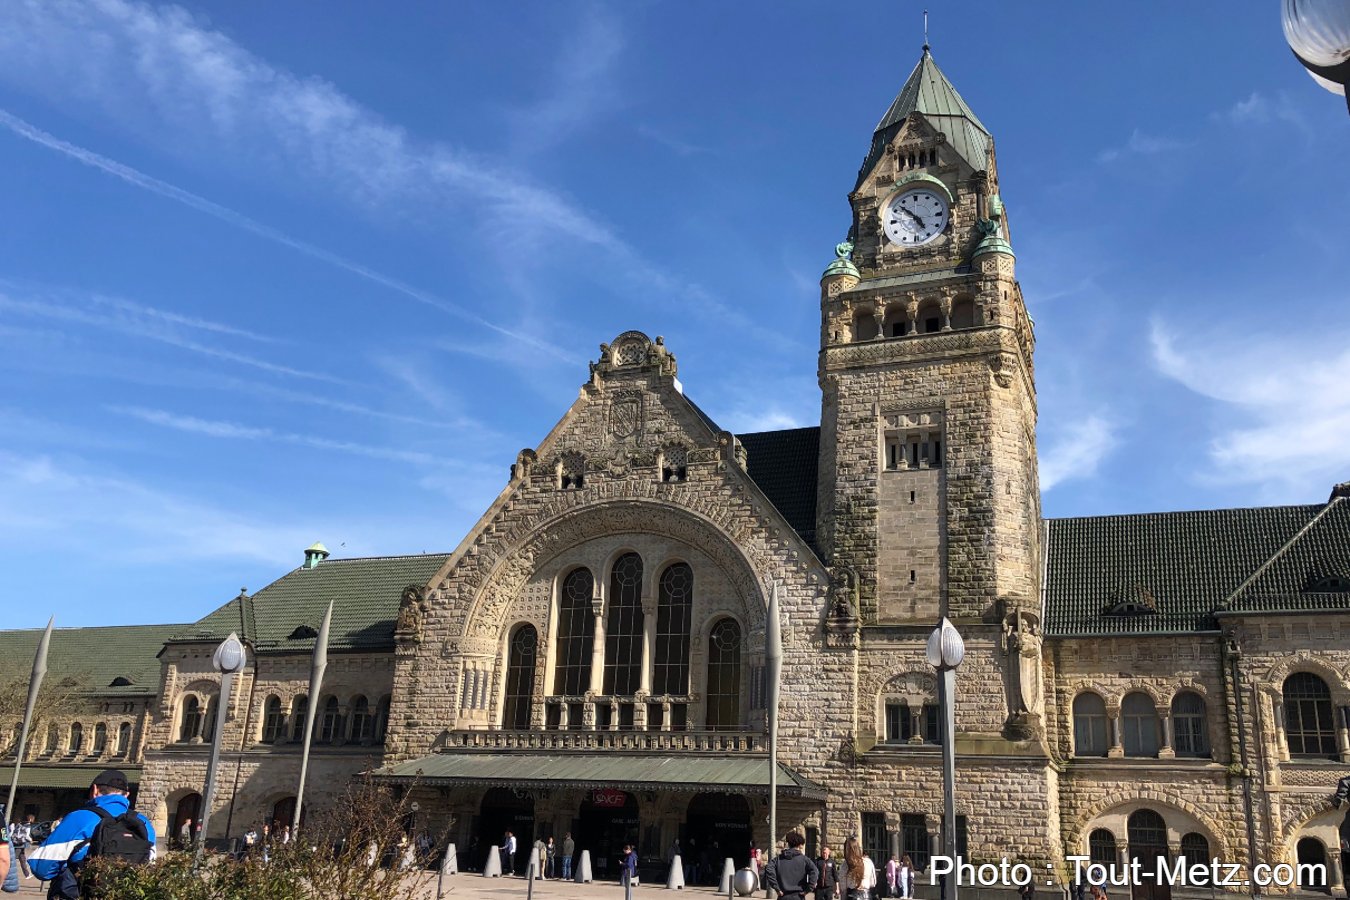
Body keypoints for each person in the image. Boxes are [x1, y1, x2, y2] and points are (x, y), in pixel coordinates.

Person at [28, 769, 156, 900]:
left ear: (95, 790)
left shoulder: (80, 818)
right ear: (127, 794)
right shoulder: (144, 824)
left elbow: (41, 868)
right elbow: (150, 867)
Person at [765, 831, 819, 900]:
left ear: (788, 843)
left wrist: (776, 887)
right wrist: (808, 889)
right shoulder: (804, 859)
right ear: (799, 844)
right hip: (799, 896)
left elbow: (768, 868)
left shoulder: (778, 859)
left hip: (783, 895)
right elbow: (815, 871)